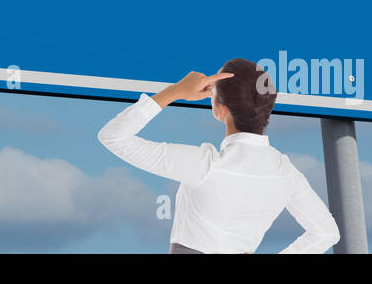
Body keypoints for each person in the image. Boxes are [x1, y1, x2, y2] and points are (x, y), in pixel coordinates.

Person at [97, 59, 340, 254]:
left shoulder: (205, 165)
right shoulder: (285, 171)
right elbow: (327, 233)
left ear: (221, 110)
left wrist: (175, 91)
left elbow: (113, 137)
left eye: (212, 91)